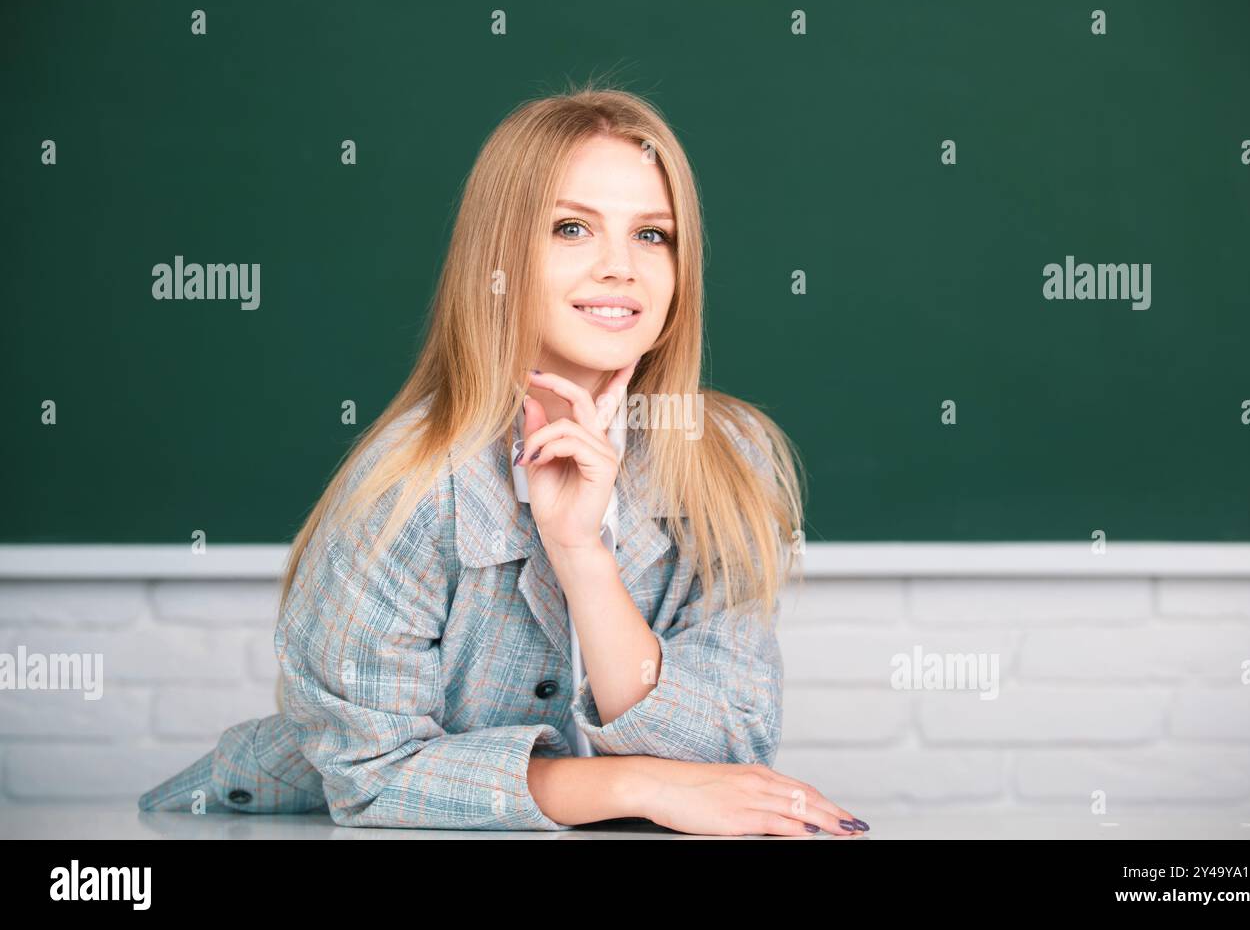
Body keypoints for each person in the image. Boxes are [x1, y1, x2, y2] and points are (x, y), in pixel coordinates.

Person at [138, 83, 869, 837]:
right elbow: (373, 779)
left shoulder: (730, 461)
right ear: (501, 256)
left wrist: (583, 555)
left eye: (653, 235)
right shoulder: (410, 483)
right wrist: (635, 782)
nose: (621, 268)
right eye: (572, 228)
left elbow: (726, 751)